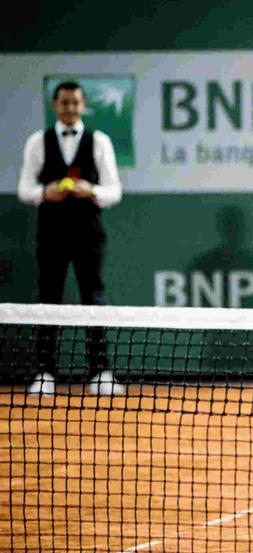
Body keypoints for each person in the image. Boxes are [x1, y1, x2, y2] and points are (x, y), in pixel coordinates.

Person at [18, 81, 124, 397]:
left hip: (88, 233)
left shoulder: (99, 141)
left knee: (94, 299)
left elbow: (114, 190)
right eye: (64, 103)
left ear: (83, 105)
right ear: (55, 105)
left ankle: (100, 372)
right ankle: (45, 373)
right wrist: (44, 192)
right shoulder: (38, 142)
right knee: (48, 298)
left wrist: (91, 191)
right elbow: (25, 189)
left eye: (75, 103)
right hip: (51, 232)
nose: (70, 109)